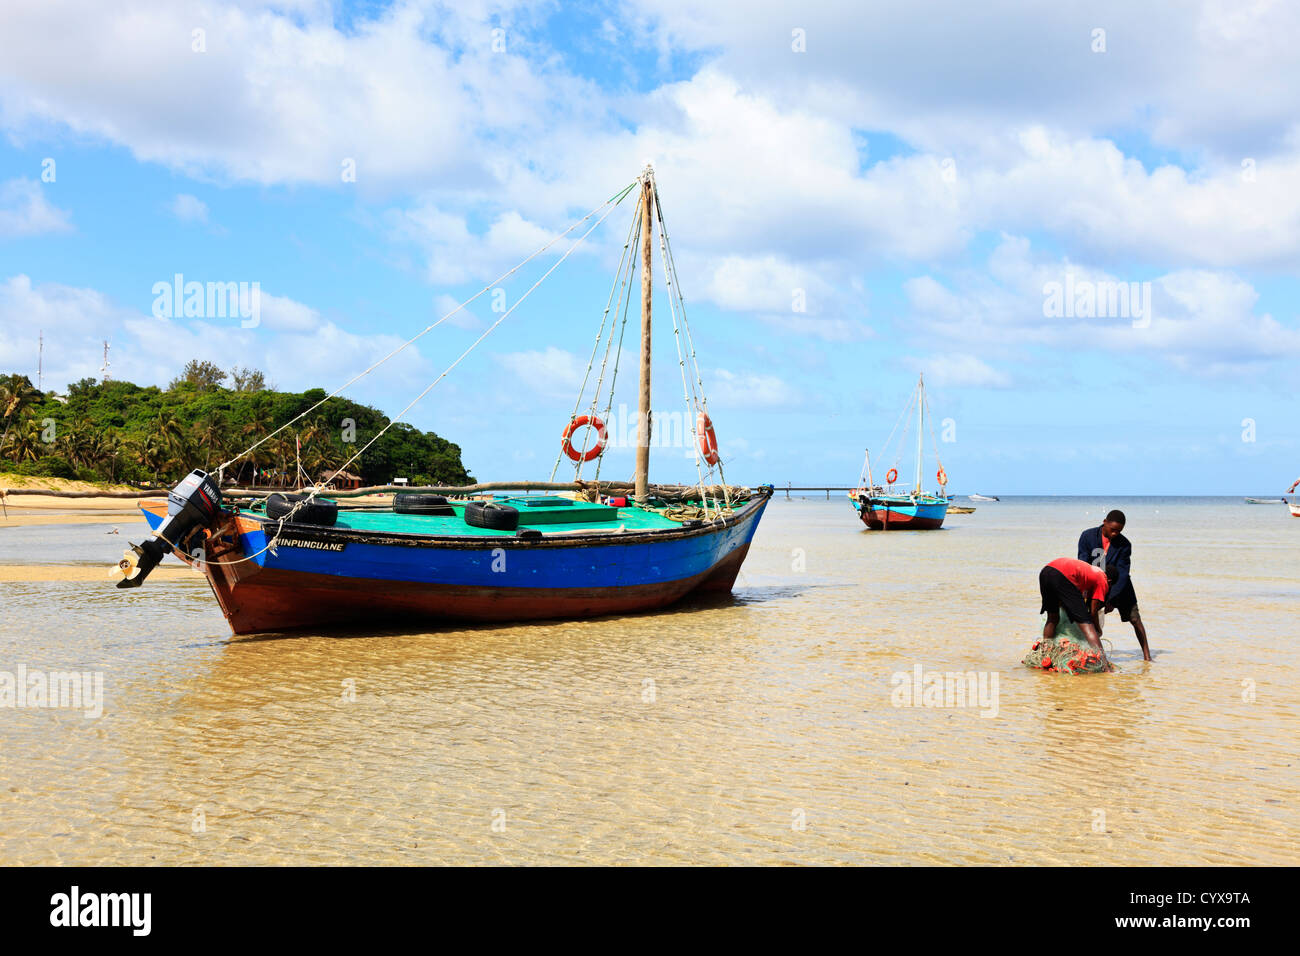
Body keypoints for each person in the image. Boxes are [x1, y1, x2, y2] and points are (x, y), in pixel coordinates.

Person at [1078, 510, 1152, 662]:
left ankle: (1147, 656)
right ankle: (1091, 654)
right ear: (1104, 521)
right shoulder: (1087, 536)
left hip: (1120, 586)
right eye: (1112, 530)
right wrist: (1085, 589)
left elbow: (1123, 574)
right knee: (1089, 618)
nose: (1115, 534)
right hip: (1094, 585)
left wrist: (1111, 599)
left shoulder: (1125, 544)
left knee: (1135, 619)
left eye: (1119, 531)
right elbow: (1082, 563)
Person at [1038, 556, 1117, 670]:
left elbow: (1065, 601)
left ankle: (1044, 657)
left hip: (1046, 572)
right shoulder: (1103, 579)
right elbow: (1093, 612)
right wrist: (1098, 630)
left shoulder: (1090, 572)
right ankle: (1105, 666)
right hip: (1062, 575)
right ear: (1109, 582)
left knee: (1053, 618)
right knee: (1087, 625)